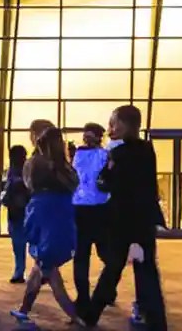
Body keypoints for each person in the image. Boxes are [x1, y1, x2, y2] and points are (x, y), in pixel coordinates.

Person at [83, 105, 168, 331]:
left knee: (113, 268)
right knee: (146, 270)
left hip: (122, 221)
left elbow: (104, 183)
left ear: (124, 124)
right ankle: (156, 321)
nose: (110, 127)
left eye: (113, 122)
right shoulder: (147, 149)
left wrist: (108, 165)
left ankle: (91, 315)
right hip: (144, 221)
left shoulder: (119, 153)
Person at [10, 123, 84, 329]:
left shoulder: (34, 163)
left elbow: (29, 185)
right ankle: (24, 310)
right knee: (41, 269)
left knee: (48, 270)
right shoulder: (66, 168)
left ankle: (76, 316)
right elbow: (75, 186)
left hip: (42, 214)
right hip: (63, 216)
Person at [70, 123, 109, 311]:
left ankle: (84, 297)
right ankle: (104, 291)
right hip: (99, 208)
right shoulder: (104, 155)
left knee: (82, 256)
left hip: (83, 208)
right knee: (105, 254)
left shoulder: (78, 155)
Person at [1, 145, 31, 284]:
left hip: (17, 210)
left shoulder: (15, 172)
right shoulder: (23, 170)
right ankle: (38, 271)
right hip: (23, 209)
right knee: (26, 242)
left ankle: (20, 271)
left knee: (18, 243)